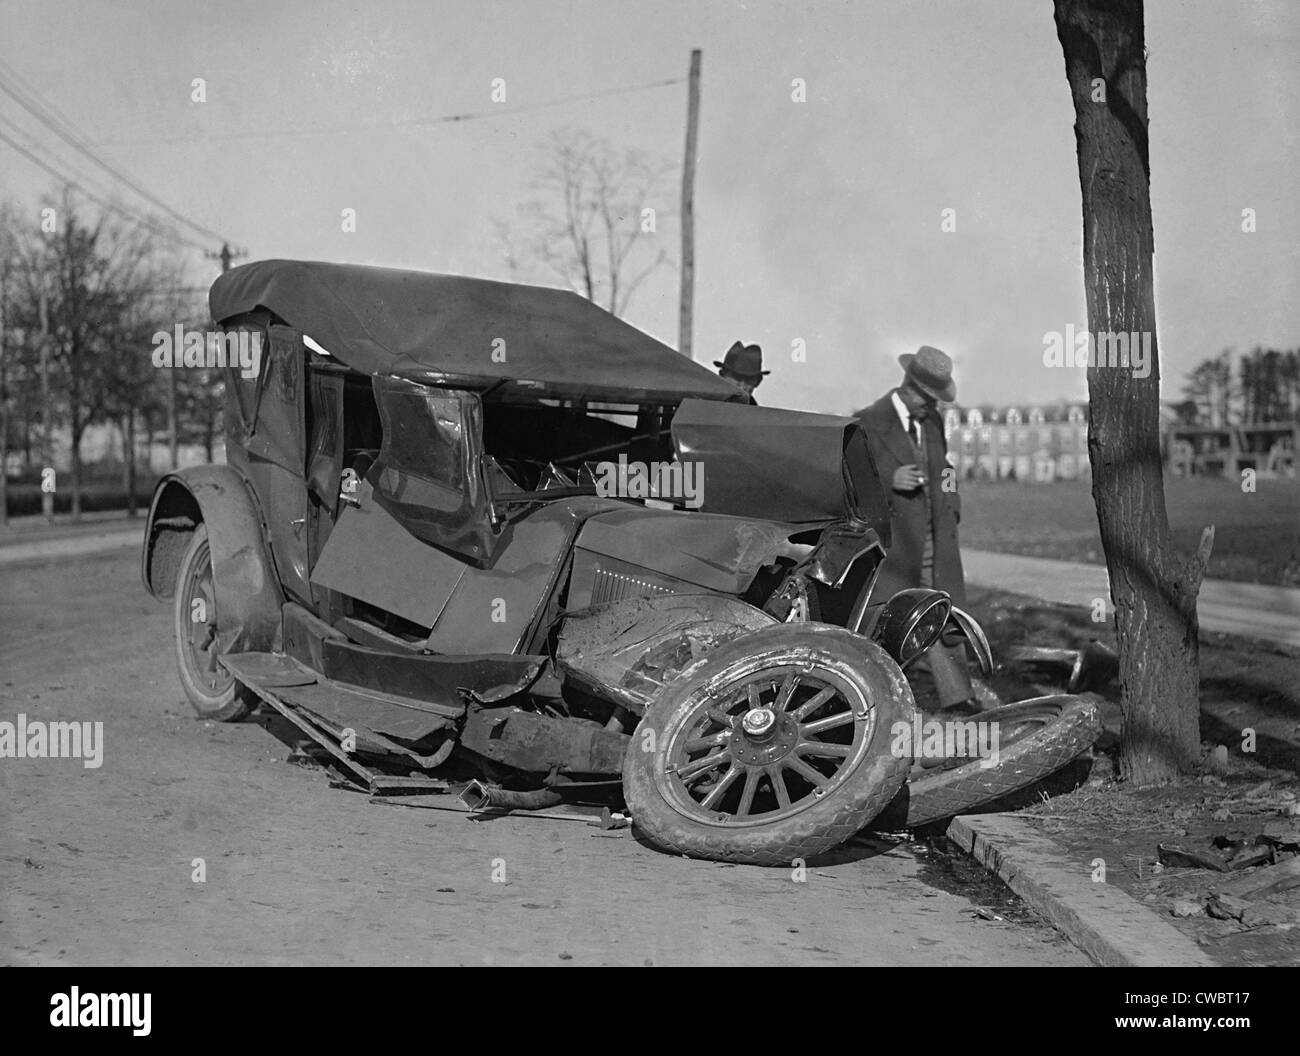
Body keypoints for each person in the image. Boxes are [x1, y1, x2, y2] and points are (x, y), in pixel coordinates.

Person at [856, 345, 977, 715]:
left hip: (936, 540)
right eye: (930, 399)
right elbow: (852, 482)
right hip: (897, 547)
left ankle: (958, 698)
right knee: (897, 617)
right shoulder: (868, 423)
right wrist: (892, 480)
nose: (934, 407)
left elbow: (947, 471)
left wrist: (951, 505)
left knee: (943, 610)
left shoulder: (931, 422)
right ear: (910, 389)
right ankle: (883, 700)